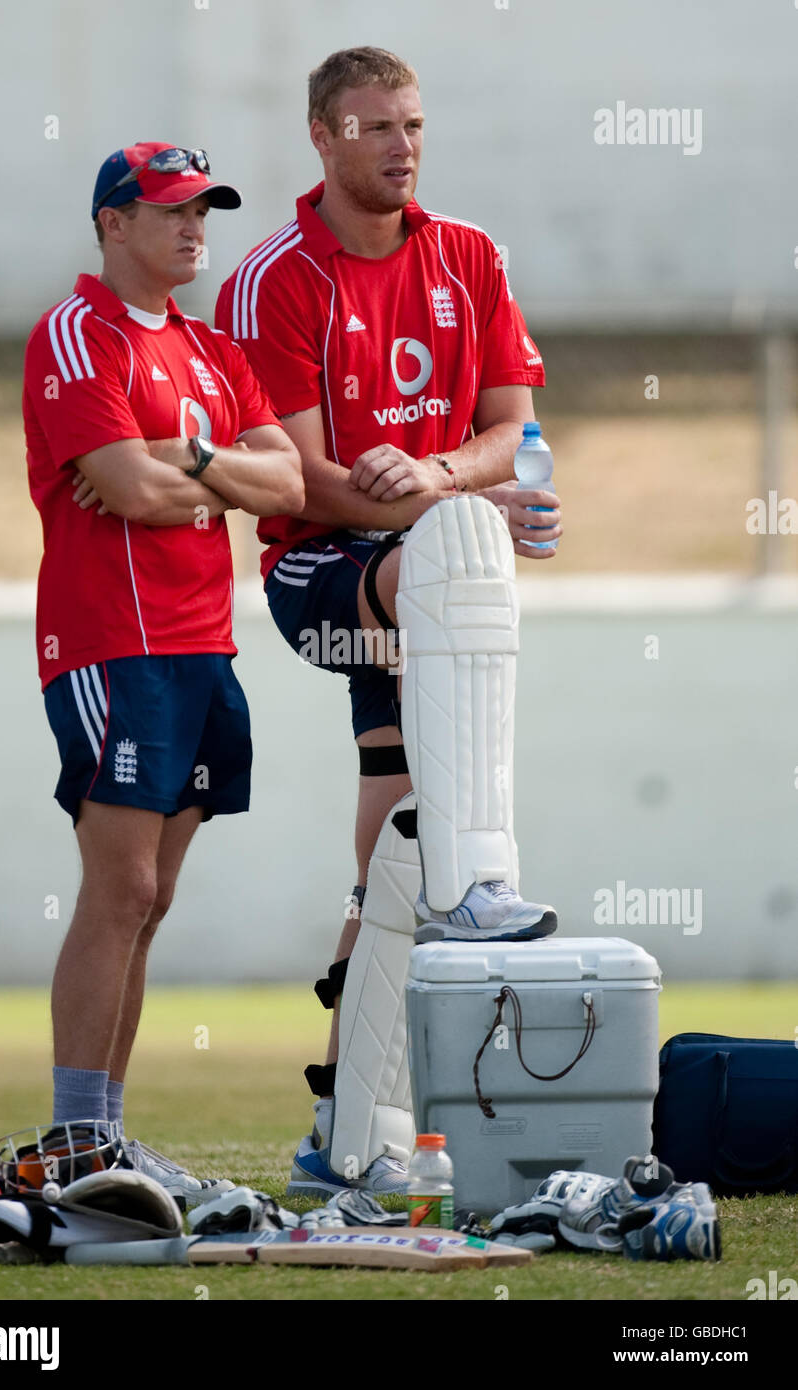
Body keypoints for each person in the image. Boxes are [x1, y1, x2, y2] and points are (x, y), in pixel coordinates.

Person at [217, 49, 564, 1198]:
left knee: (389, 850)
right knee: (463, 545)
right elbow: (298, 485)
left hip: (419, 575)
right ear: (320, 137)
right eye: (371, 127)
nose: (399, 145)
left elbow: (511, 435)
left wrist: (432, 473)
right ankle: (484, 872)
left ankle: (343, 1126)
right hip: (320, 575)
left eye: (410, 123)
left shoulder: (470, 255)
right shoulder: (277, 277)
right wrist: (445, 501)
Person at [22, 142, 303, 1207]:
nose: (194, 228)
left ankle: (107, 1136)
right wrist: (197, 473)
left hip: (201, 650)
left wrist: (187, 461)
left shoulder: (212, 348)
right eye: (172, 209)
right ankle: (78, 1139)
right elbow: (122, 489)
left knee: (155, 898)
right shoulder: (72, 333)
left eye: (203, 210)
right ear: (112, 224)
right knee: (123, 886)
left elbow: (281, 479)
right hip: (113, 646)